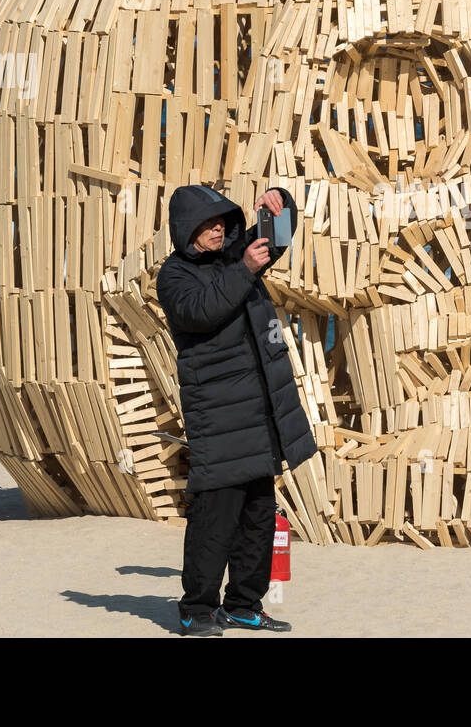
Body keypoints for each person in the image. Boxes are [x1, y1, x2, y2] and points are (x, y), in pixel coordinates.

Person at [155, 182, 318, 636]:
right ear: (187, 231)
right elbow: (202, 311)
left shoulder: (233, 257)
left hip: (258, 410)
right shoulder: (174, 277)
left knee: (258, 516)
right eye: (207, 224)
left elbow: (277, 238)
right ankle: (197, 610)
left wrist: (279, 203)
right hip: (217, 413)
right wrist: (244, 268)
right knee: (214, 518)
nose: (217, 229)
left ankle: (244, 604)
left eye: (221, 221)